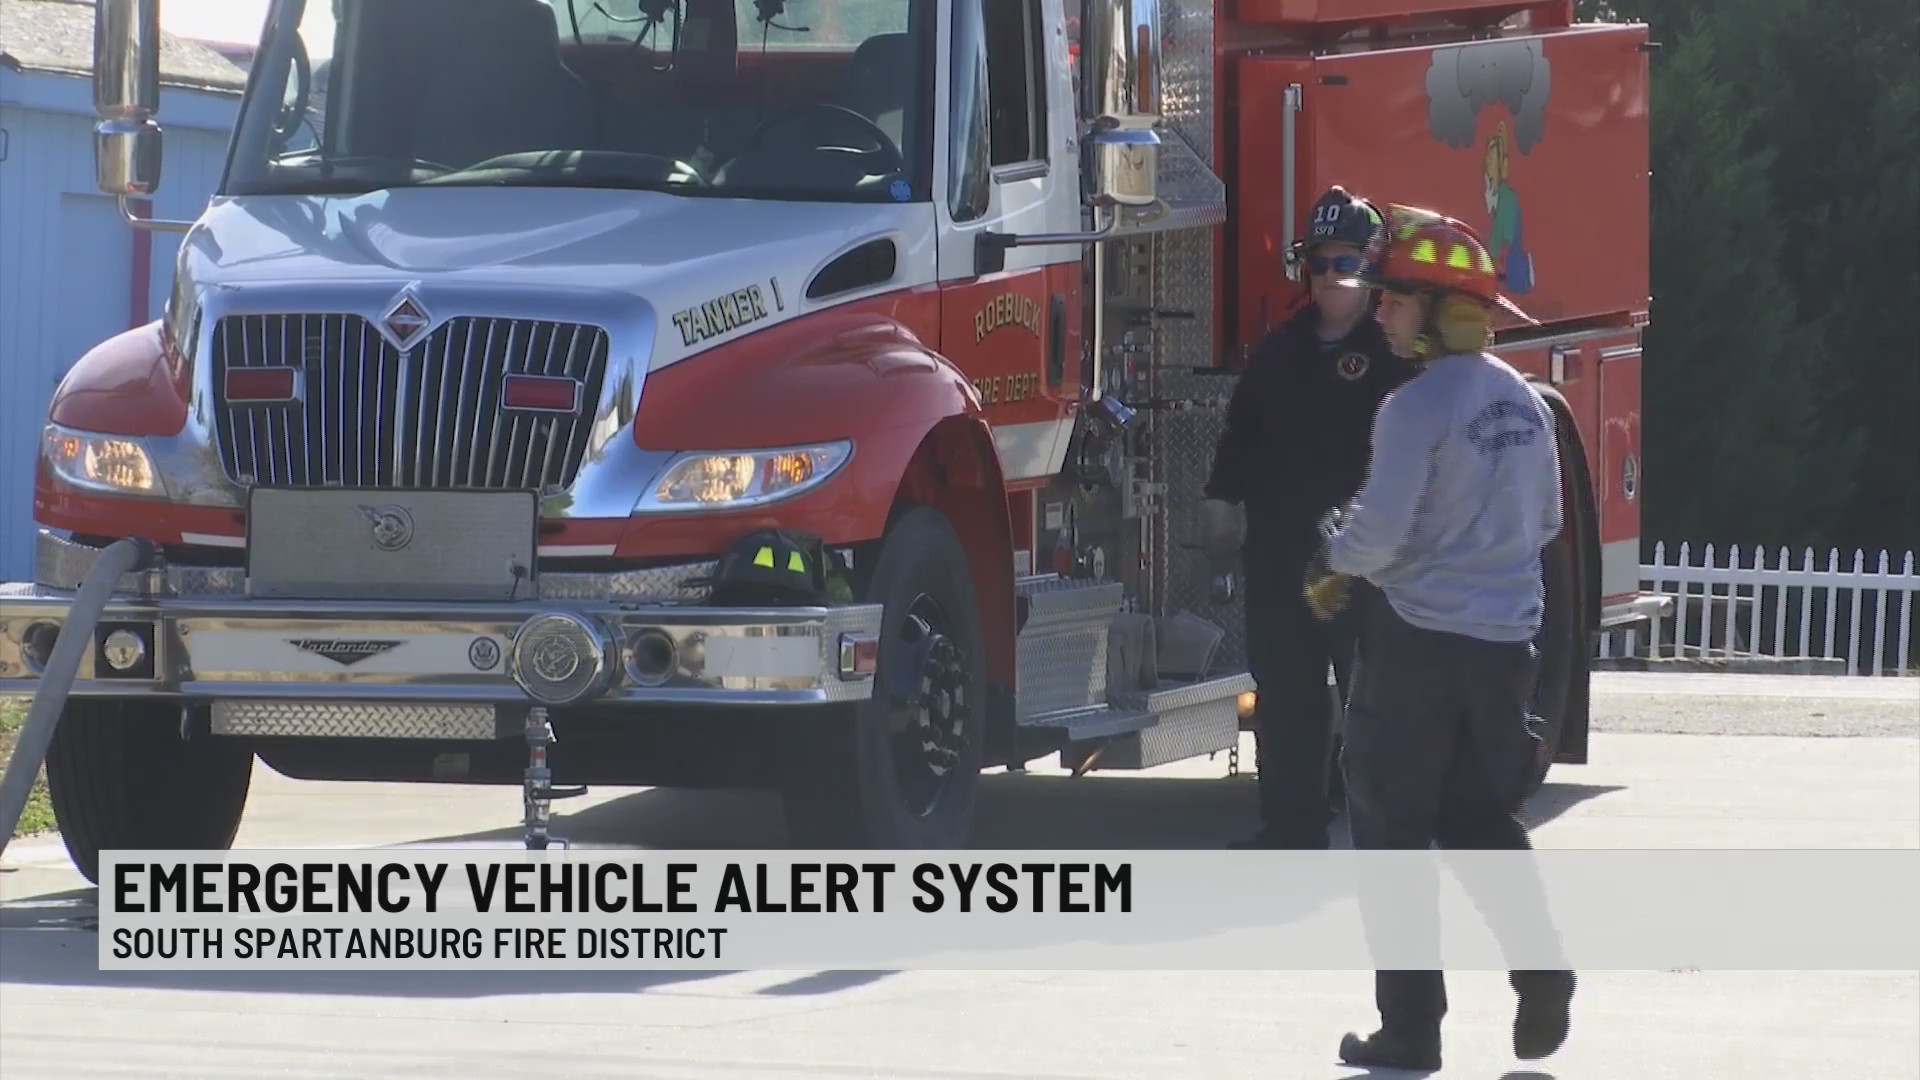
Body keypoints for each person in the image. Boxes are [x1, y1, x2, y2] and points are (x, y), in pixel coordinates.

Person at [1303, 203, 1576, 1071]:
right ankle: (1541, 975)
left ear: (1440, 311)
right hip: (1504, 652)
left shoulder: (1414, 408)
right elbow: (1548, 520)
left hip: (1414, 647)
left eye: (1394, 300)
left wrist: (1332, 558)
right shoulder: (1527, 406)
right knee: (1480, 820)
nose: (1378, 311)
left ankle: (1412, 1030)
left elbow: (1378, 539)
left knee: (1389, 834)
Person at [1198, 185, 1421, 850]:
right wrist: (1220, 497)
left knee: (1373, 696)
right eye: (1319, 263)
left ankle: (1389, 823)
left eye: (1345, 263)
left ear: (1373, 268)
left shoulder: (1395, 358)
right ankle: (1291, 823)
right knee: (1285, 693)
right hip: (1279, 550)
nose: (1328, 278)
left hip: (1366, 561)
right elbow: (1242, 431)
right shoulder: (1281, 350)